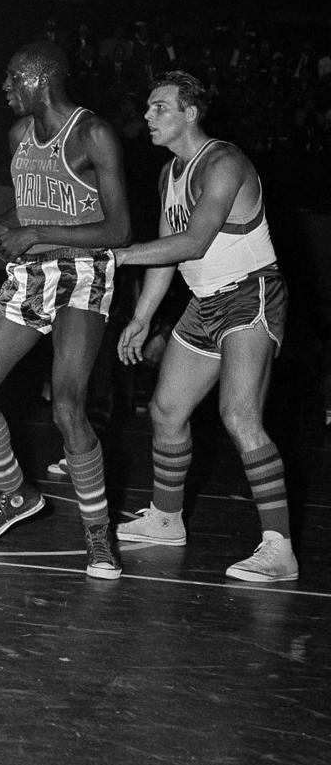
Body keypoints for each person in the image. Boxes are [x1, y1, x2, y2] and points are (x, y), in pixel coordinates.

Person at [0, 41, 131, 579]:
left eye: (11, 79)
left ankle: (98, 536)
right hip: (31, 275)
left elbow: (120, 229)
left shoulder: (93, 134)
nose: (4, 89)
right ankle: (16, 495)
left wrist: (33, 233)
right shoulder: (18, 137)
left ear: (37, 79)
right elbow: (28, 206)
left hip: (84, 275)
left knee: (67, 407)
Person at [114, 72, 297, 582]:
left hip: (250, 293)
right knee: (167, 409)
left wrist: (119, 254)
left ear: (189, 112)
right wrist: (142, 316)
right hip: (204, 301)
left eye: (159, 108)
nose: (147, 117)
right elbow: (169, 255)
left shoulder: (224, 162)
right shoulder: (169, 173)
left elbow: (193, 242)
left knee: (239, 415)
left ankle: (279, 548)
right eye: (148, 108)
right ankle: (166, 520)